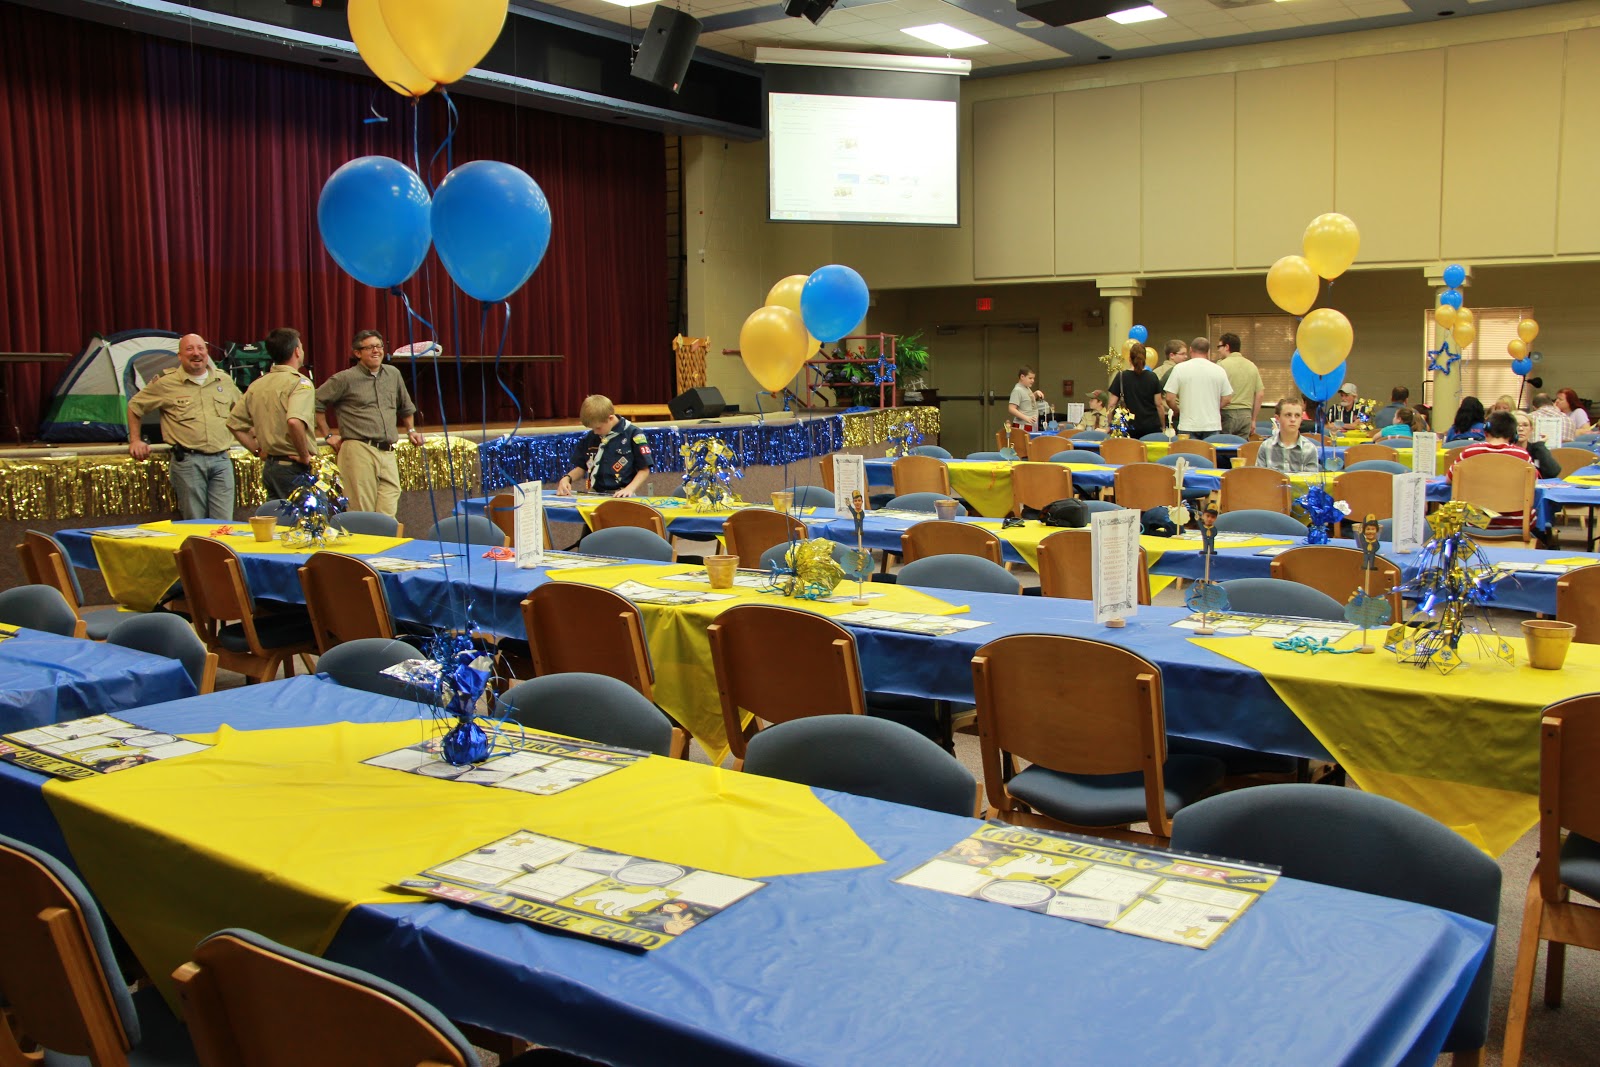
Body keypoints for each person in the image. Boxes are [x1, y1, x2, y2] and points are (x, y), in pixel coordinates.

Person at [126, 333, 242, 520]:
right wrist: (135, 440)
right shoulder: (166, 383)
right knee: (195, 522)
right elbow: (134, 407)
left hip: (221, 460)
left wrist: (256, 438)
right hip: (189, 462)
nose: (196, 353)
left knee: (225, 524)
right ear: (180, 356)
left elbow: (242, 412)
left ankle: (221, 550)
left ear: (207, 353)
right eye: (189, 349)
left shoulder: (223, 380)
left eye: (200, 348)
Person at [314, 330, 423, 516]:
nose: (376, 351)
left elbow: (406, 407)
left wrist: (411, 430)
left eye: (379, 346)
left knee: (388, 510)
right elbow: (315, 402)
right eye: (369, 347)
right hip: (359, 450)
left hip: (387, 451)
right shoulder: (344, 378)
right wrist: (328, 435)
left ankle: (385, 543)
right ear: (357, 353)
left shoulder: (393, 374)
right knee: (362, 511)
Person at [228, 327, 317, 501]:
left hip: (271, 466)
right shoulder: (300, 383)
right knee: (306, 522)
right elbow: (294, 421)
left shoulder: (258, 384)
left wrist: (256, 450)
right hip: (294, 467)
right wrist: (305, 456)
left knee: (277, 522)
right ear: (297, 351)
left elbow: (233, 423)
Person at [1449, 411, 1537, 529]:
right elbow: (1533, 484)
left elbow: (1449, 480)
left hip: (1477, 524)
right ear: (1513, 434)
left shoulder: (1469, 452)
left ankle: (1432, 545)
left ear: (1486, 431)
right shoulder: (1522, 455)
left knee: (1440, 518)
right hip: (1517, 524)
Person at [555, 395, 652, 498]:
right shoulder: (592, 436)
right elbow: (582, 467)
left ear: (610, 418)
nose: (595, 432)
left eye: (598, 428)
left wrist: (630, 489)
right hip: (595, 493)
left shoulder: (633, 434)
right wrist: (567, 478)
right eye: (592, 429)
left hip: (622, 494)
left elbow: (644, 469)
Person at [1162, 337, 1231, 439]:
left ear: (1190, 350)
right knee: (1209, 454)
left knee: (1188, 454)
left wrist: (1178, 411)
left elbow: (1169, 398)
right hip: (1212, 425)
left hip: (1187, 425)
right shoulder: (1219, 370)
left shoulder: (1179, 369)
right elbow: (1227, 398)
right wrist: (1213, 408)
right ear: (1208, 351)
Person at [1108, 343, 1168, 438]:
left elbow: (1111, 404)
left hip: (1128, 426)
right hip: (1151, 426)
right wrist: (1163, 425)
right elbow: (1159, 404)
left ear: (1129, 359)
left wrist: (1110, 425)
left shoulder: (1121, 376)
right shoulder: (1152, 377)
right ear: (1145, 359)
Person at [1214, 332, 1263, 438]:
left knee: (1223, 449)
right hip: (1246, 415)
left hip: (1226, 414)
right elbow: (1260, 394)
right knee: (1241, 450)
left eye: (1219, 346)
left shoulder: (1221, 365)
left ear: (1227, 347)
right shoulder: (1252, 366)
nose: (1218, 350)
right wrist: (1253, 419)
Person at [1255, 397, 1321, 473]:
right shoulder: (1265, 447)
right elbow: (1260, 480)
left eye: (1297, 415)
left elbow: (1311, 482)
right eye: (1288, 415)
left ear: (1301, 419)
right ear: (1277, 418)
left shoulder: (1309, 449)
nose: (1293, 419)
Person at [1513, 410, 1562, 479]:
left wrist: (1540, 445)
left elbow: (1553, 472)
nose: (1520, 429)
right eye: (1516, 425)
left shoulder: (1537, 449)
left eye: (1525, 425)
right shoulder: (1504, 449)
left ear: (1531, 429)